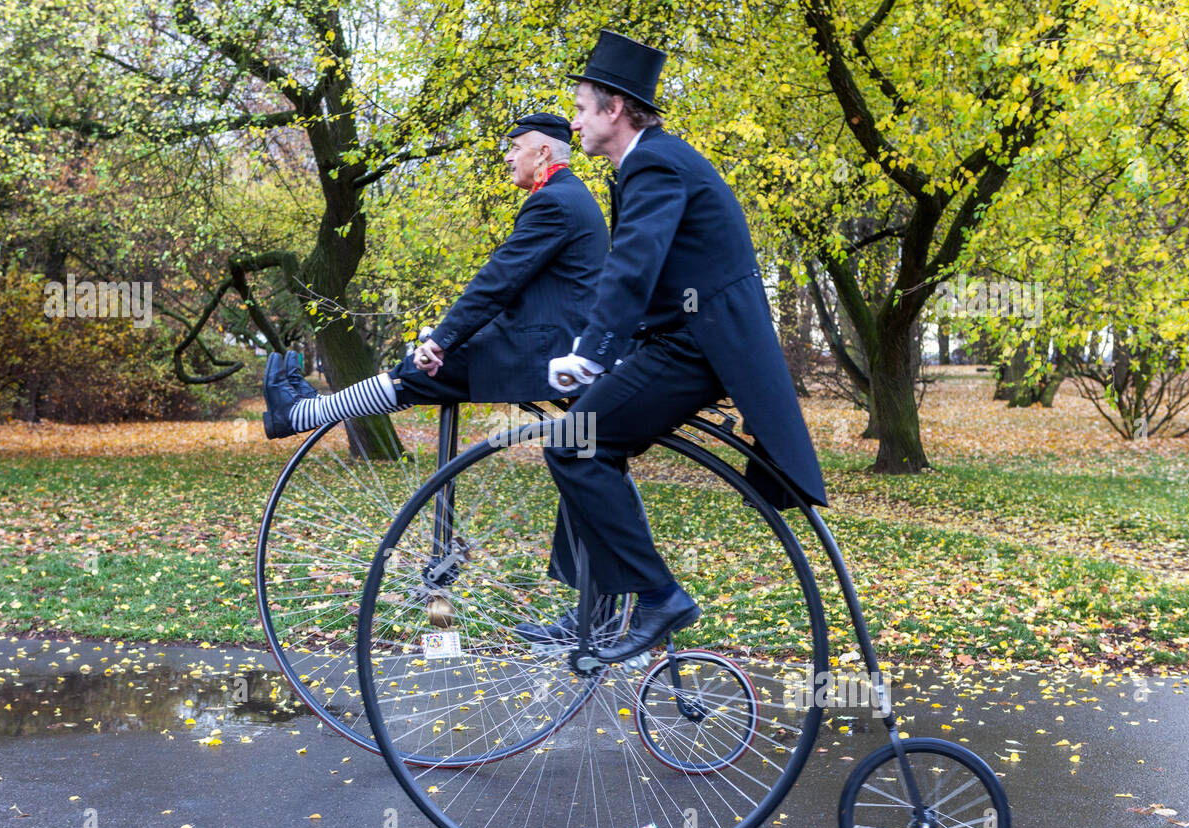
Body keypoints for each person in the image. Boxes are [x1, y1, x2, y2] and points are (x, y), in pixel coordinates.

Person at [536, 30, 829, 662]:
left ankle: (657, 596)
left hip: (698, 349)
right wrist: (604, 357)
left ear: (615, 108)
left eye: (583, 108)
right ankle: (600, 600)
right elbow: (656, 278)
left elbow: (635, 267)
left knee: (573, 444)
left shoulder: (655, 163)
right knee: (586, 438)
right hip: (677, 340)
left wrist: (590, 351)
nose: (576, 122)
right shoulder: (649, 163)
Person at [261, 112, 608, 438]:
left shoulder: (554, 203)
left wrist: (441, 340)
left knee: (422, 368)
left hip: (542, 352)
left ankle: (302, 414)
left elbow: (497, 282)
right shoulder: (571, 196)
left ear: (544, 152)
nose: (508, 157)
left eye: (516, 148)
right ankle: (309, 409)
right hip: (559, 344)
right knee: (580, 459)